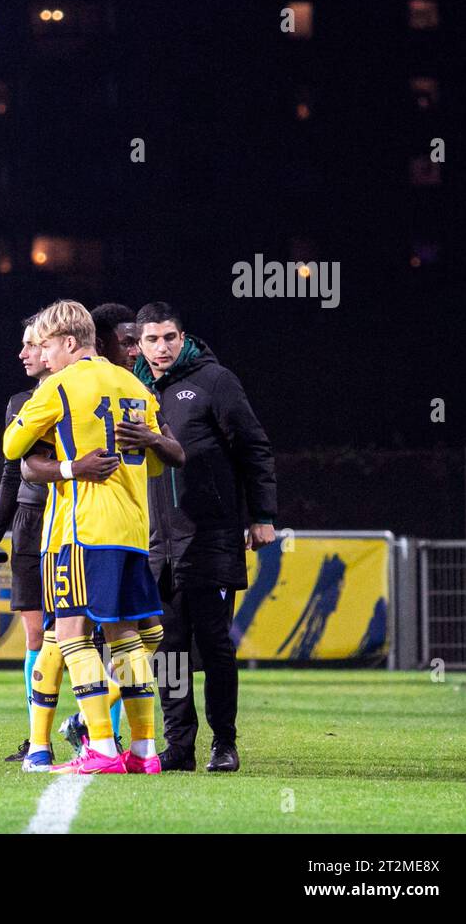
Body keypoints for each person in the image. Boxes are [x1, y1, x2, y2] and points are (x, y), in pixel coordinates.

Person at [3, 300, 183, 774]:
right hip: (133, 531)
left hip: (82, 531)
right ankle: (144, 751)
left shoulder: (60, 385)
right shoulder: (135, 385)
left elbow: (12, 446)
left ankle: (100, 746)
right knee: (126, 639)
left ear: (67, 342)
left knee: (69, 636)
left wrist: (66, 462)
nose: (42, 355)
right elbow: (163, 461)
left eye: (45, 345)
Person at [132, 302, 277, 772]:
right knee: (168, 647)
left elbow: (253, 447)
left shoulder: (214, 381)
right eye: (151, 339)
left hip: (210, 536)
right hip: (156, 543)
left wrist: (262, 515)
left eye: (169, 337)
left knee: (214, 642)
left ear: (182, 336)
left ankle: (224, 742)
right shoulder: (133, 389)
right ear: (140, 342)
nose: (161, 348)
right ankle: (179, 747)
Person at [0, 315, 119, 762]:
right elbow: (14, 470)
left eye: (32, 344)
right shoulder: (21, 401)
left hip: (84, 518)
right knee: (39, 635)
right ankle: (40, 739)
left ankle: (99, 731)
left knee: (95, 632)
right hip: (34, 523)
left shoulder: (91, 388)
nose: (25, 353)